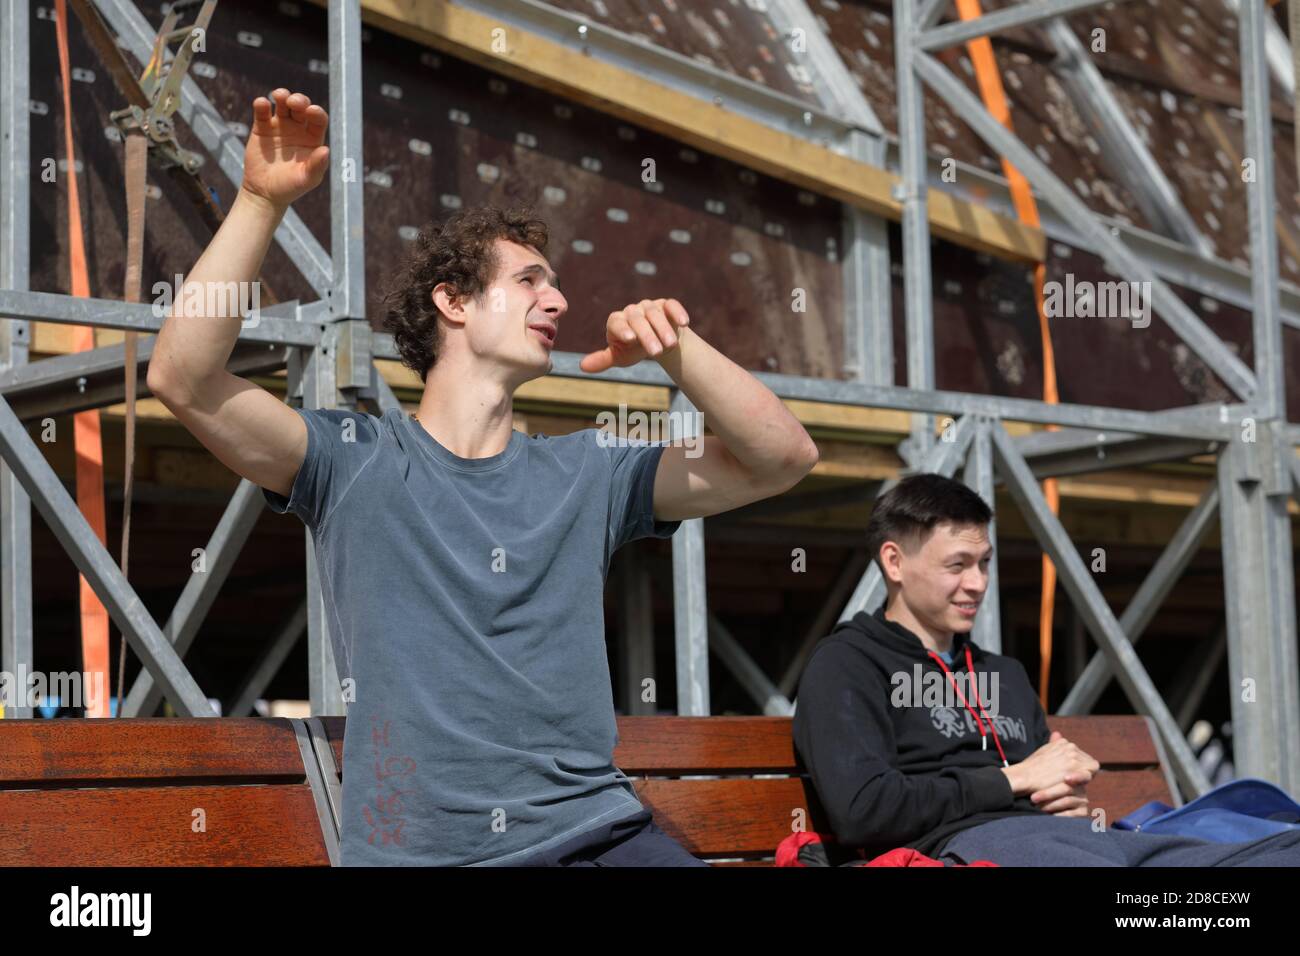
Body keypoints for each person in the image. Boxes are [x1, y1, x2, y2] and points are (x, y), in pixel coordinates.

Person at [147, 88, 819, 866]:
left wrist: (679, 349)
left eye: (555, 284)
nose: (559, 300)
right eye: (531, 280)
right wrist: (261, 202)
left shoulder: (586, 471)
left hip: (597, 834)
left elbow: (784, 458)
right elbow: (184, 378)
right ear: (453, 301)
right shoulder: (354, 461)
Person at [793, 472, 1300, 866]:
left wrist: (1064, 796)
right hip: (965, 847)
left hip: (1077, 840)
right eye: (957, 565)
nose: (977, 583)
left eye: (984, 563)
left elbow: (1041, 785)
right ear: (895, 563)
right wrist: (1010, 780)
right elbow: (863, 811)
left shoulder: (1003, 673)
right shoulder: (847, 666)